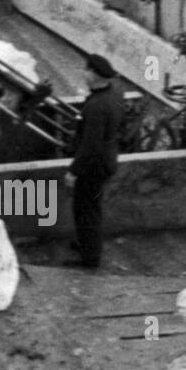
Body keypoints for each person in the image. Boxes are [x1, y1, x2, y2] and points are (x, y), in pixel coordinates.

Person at [63, 54, 123, 270]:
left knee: (86, 210)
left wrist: (73, 171)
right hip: (106, 159)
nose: (83, 73)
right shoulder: (113, 94)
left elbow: (90, 146)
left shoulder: (96, 106)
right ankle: (86, 244)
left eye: (86, 70)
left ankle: (89, 257)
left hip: (93, 167)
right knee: (89, 208)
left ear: (95, 75)